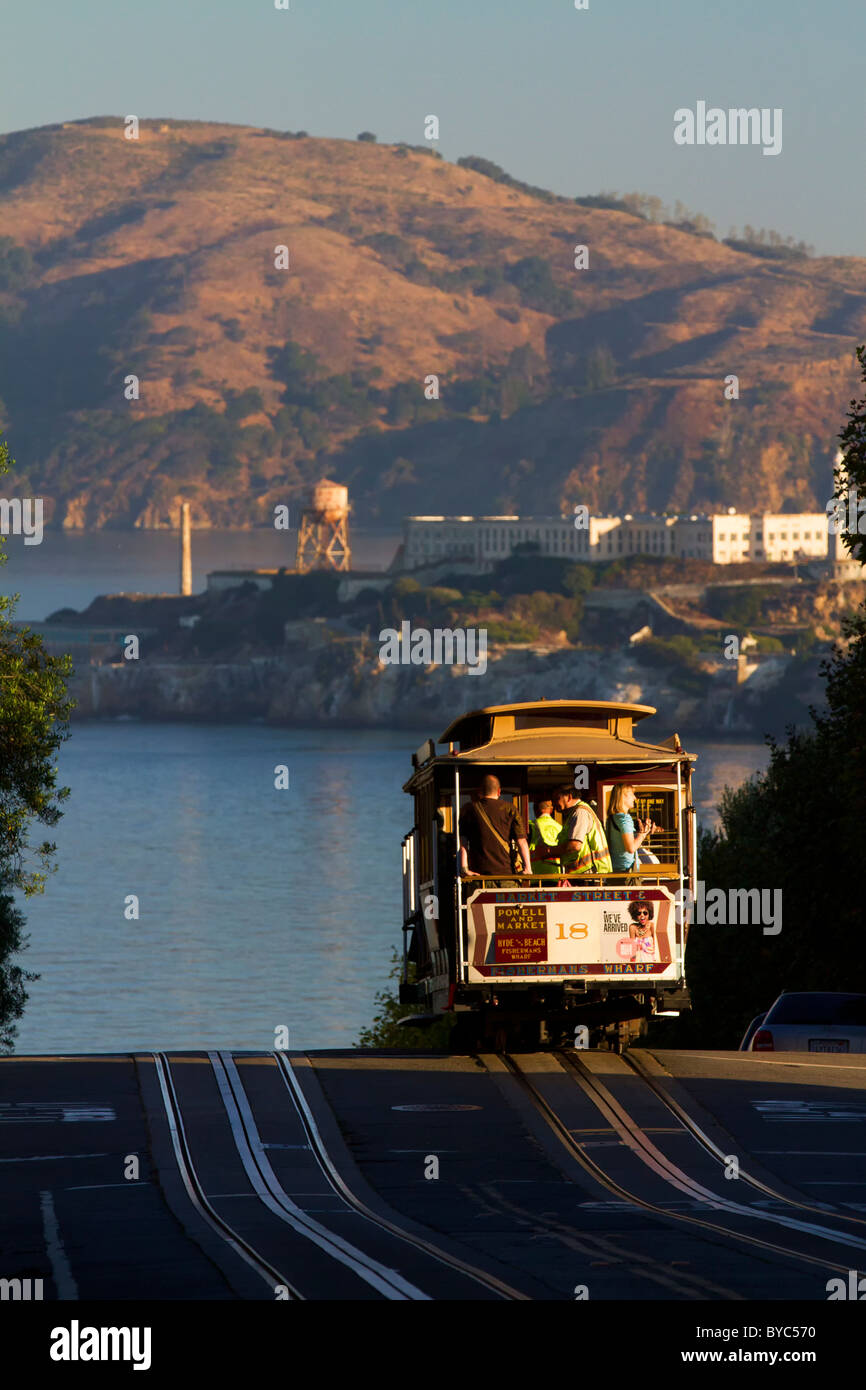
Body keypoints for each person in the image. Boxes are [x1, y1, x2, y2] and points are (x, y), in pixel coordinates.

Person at [458, 774, 531, 878]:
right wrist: (528, 868)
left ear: (480, 792)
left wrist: (464, 869)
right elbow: (521, 841)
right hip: (506, 874)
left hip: (479, 875)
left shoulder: (468, 810)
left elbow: (463, 843)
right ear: (499, 791)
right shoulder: (510, 809)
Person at [534, 784, 612, 876]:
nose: (554, 804)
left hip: (589, 874)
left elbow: (574, 846)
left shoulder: (580, 812)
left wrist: (548, 852)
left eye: (557, 799)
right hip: (587, 873)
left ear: (569, 797)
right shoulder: (575, 813)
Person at [606, 783, 656, 873]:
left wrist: (644, 833)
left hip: (613, 868)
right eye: (632, 794)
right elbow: (631, 848)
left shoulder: (612, 818)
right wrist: (642, 834)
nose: (635, 798)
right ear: (623, 797)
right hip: (626, 870)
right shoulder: (625, 819)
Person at [528, 798, 561, 876]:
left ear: (536, 810)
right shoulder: (560, 827)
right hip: (557, 872)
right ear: (551, 810)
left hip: (537, 874)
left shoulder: (531, 825)